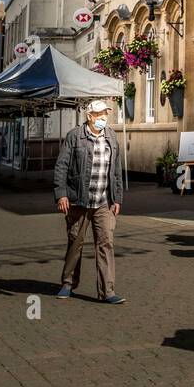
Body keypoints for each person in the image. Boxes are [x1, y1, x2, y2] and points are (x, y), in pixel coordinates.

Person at [53, 99, 125, 303]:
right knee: (75, 242)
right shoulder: (75, 136)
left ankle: (107, 292)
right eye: (100, 114)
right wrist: (61, 194)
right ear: (90, 116)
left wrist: (117, 198)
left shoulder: (111, 136)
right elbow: (61, 166)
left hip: (104, 201)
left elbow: (116, 170)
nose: (104, 118)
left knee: (106, 243)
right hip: (79, 200)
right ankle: (68, 284)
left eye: (105, 114)